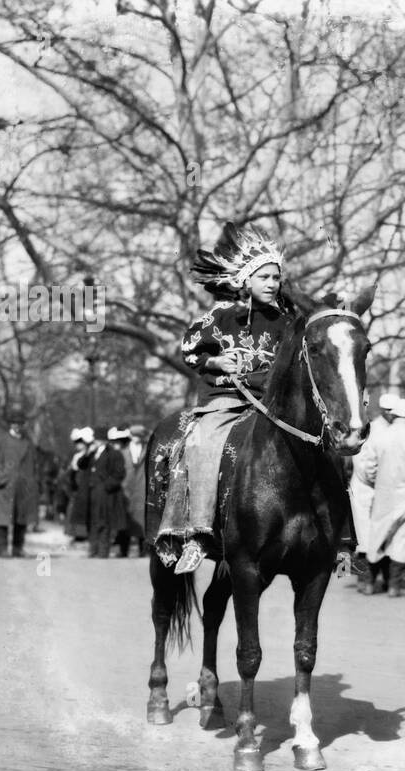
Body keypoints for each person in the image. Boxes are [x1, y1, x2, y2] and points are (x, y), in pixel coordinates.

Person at [157, 223, 293, 574]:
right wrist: (214, 360)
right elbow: (189, 351)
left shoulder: (287, 320)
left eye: (275, 278)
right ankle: (198, 535)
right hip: (225, 399)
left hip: (271, 404)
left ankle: (337, 540)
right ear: (245, 280)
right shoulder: (219, 315)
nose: (271, 283)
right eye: (263, 276)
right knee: (201, 441)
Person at [363, 398, 405, 597]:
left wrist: (378, 481)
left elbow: (368, 467)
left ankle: (368, 583)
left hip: (384, 493)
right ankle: (394, 586)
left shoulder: (380, 437)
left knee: (377, 535)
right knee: (403, 539)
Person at [351, 393, 397, 595]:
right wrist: (379, 482)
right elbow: (363, 465)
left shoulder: (393, 431)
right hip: (366, 489)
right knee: (366, 537)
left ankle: (386, 581)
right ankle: (365, 581)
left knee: (385, 535)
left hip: (383, 490)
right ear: (384, 411)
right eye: (390, 412)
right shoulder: (371, 430)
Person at [0, 407, 39, 558]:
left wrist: (31, 482)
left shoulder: (28, 443)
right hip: (6, 486)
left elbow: (33, 465)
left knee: (20, 519)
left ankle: (18, 547)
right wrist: (1, 478)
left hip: (23, 487)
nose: (17, 426)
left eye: (20, 423)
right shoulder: (1, 441)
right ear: (10, 424)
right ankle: (2, 548)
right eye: (14, 423)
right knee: (2, 519)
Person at [90, 426, 129, 559]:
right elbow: (83, 465)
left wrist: (106, 486)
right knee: (94, 521)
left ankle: (102, 551)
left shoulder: (114, 454)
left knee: (104, 522)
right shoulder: (93, 453)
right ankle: (93, 549)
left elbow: (119, 473)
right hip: (94, 492)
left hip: (106, 493)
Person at [118, 424, 148, 558]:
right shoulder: (123, 452)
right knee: (125, 520)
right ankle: (123, 550)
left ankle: (143, 550)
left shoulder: (148, 450)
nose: (136, 438)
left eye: (139, 436)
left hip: (142, 489)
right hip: (126, 490)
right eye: (134, 436)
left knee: (142, 521)